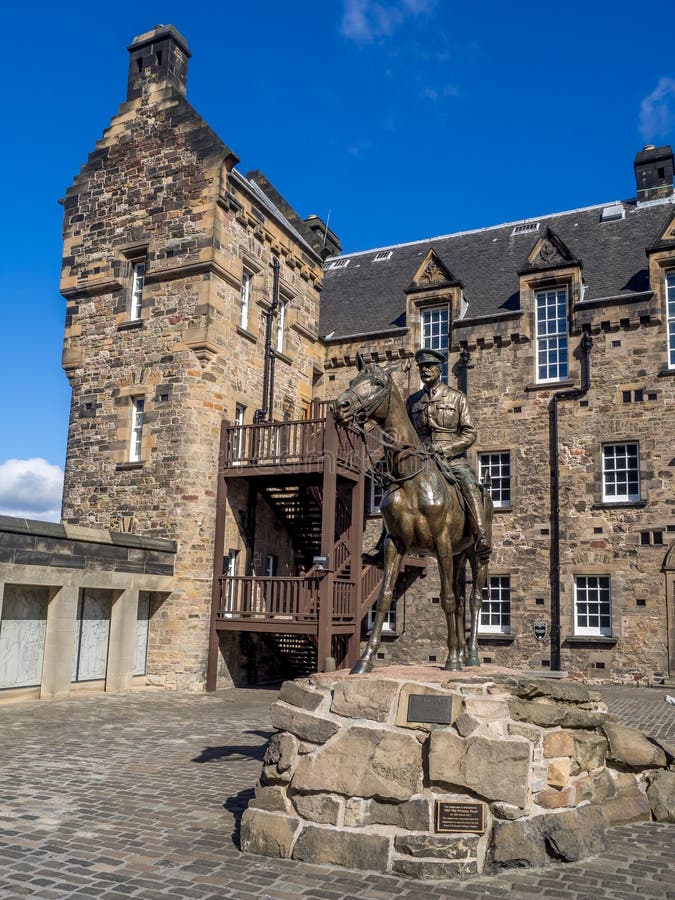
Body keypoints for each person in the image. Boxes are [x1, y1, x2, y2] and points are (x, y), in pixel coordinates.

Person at [362, 347, 491, 565]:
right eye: (422, 367)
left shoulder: (456, 398)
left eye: (429, 366)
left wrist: (448, 448)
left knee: (470, 484)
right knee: (394, 493)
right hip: (420, 460)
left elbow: (470, 433)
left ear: (439, 369)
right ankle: (382, 544)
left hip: (450, 459)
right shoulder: (412, 402)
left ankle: (480, 534)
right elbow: (405, 432)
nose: (425, 370)